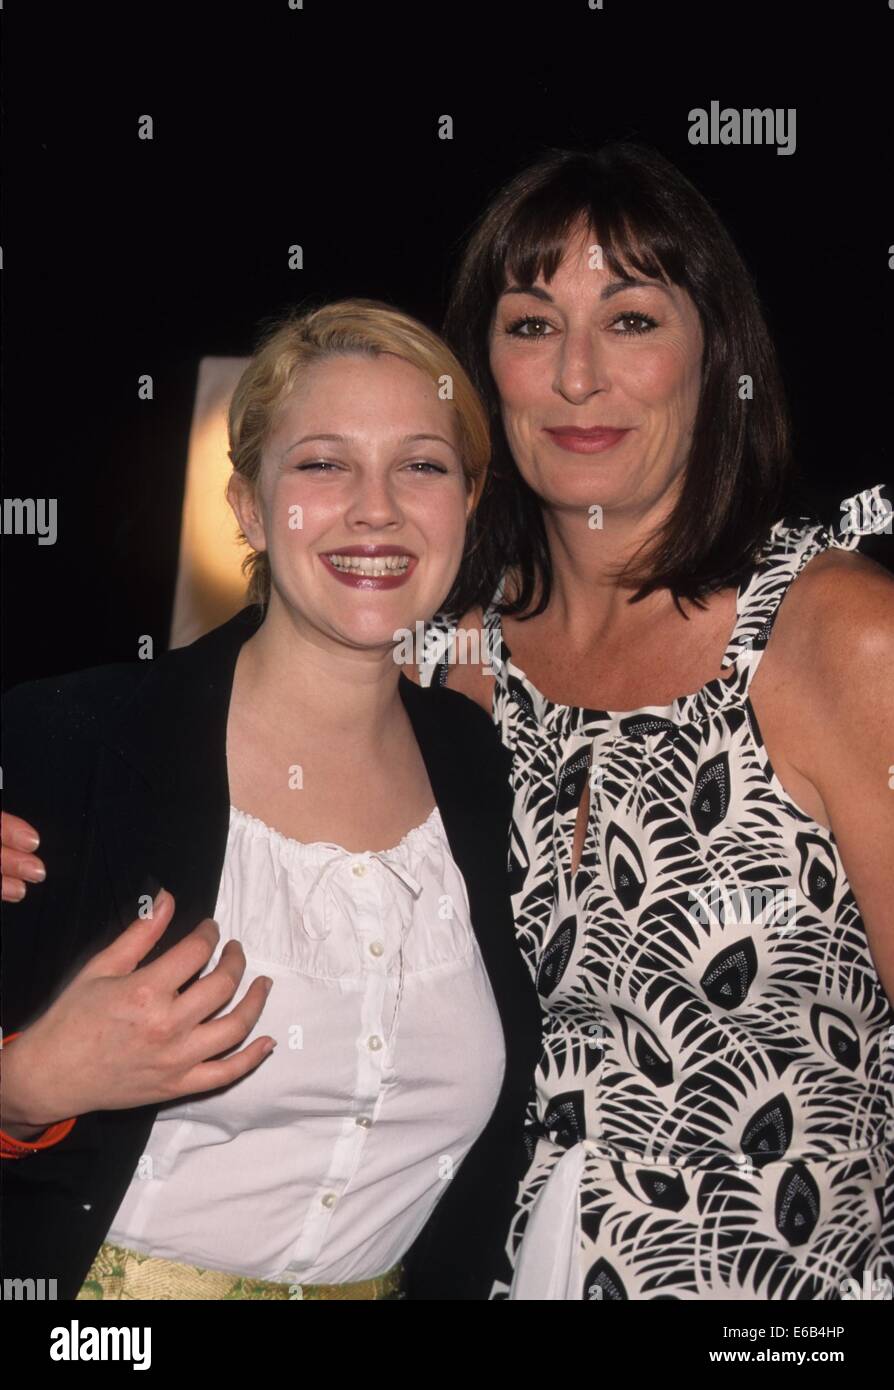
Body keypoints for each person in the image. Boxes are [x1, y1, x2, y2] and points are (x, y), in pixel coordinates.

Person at [408, 143, 894, 1299]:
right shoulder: (437, 660)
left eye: (629, 321)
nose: (577, 378)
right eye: (530, 326)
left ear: (714, 353)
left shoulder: (842, 637)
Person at [0, 299, 542, 1300]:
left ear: (468, 505)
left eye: (422, 465)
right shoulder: (67, 742)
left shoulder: (478, 766)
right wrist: (23, 1088)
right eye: (324, 464)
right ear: (248, 506)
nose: (376, 509)